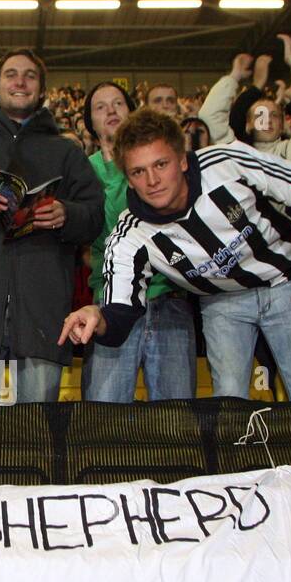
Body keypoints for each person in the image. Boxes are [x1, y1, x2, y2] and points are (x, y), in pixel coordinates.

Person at [59, 109, 291, 401]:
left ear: (182, 160)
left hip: (288, 283)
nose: (152, 180)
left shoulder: (226, 162)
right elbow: (120, 314)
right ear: (128, 179)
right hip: (222, 303)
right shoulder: (129, 236)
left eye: (161, 164)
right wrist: (97, 315)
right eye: (138, 172)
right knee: (229, 403)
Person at [0, 47, 104, 404]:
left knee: (37, 436)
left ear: (42, 90)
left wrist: (66, 214)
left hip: (43, 317)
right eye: (11, 74)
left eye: (30, 75)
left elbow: (95, 216)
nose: (20, 81)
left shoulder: (66, 152)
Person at [78, 81, 197, 403]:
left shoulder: (157, 166)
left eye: (118, 103)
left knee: (177, 420)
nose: (111, 111)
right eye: (100, 107)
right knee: (105, 419)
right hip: (110, 300)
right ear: (89, 121)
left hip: (170, 297)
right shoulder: (82, 171)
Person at [201, 36, 291, 178]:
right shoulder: (238, 156)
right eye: (260, 115)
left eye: (274, 115)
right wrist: (234, 76)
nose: (267, 120)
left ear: (282, 125)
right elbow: (209, 117)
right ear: (248, 126)